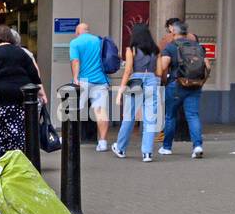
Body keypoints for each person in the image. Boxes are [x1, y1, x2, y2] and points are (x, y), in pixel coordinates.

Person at [0, 24, 43, 159]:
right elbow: (34, 76)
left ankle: (0, 162)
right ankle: (16, 161)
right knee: (17, 135)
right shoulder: (21, 53)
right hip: (19, 100)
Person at [157, 19, 210, 158]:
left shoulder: (170, 47)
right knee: (193, 115)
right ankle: (197, 146)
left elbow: (163, 67)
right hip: (195, 84)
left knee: (170, 116)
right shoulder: (198, 46)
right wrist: (201, 81)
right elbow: (208, 66)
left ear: (173, 31)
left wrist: (164, 79)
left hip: (176, 84)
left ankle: (167, 147)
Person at [113, 24, 161, 161]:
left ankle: (121, 148)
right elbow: (159, 72)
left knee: (129, 116)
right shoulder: (156, 50)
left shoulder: (131, 50)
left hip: (135, 81)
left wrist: (120, 91)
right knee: (150, 119)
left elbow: (128, 70)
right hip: (152, 81)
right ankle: (147, 153)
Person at [69, 22, 112, 151]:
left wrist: (75, 78)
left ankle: (70, 138)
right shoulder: (99, 41)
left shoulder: (75, 43)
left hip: (83, 80)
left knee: (75, 110)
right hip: (100, 80)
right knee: (100, 112)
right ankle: (103, 142)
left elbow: (75, 61)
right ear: (87, 31)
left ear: (77, 32)